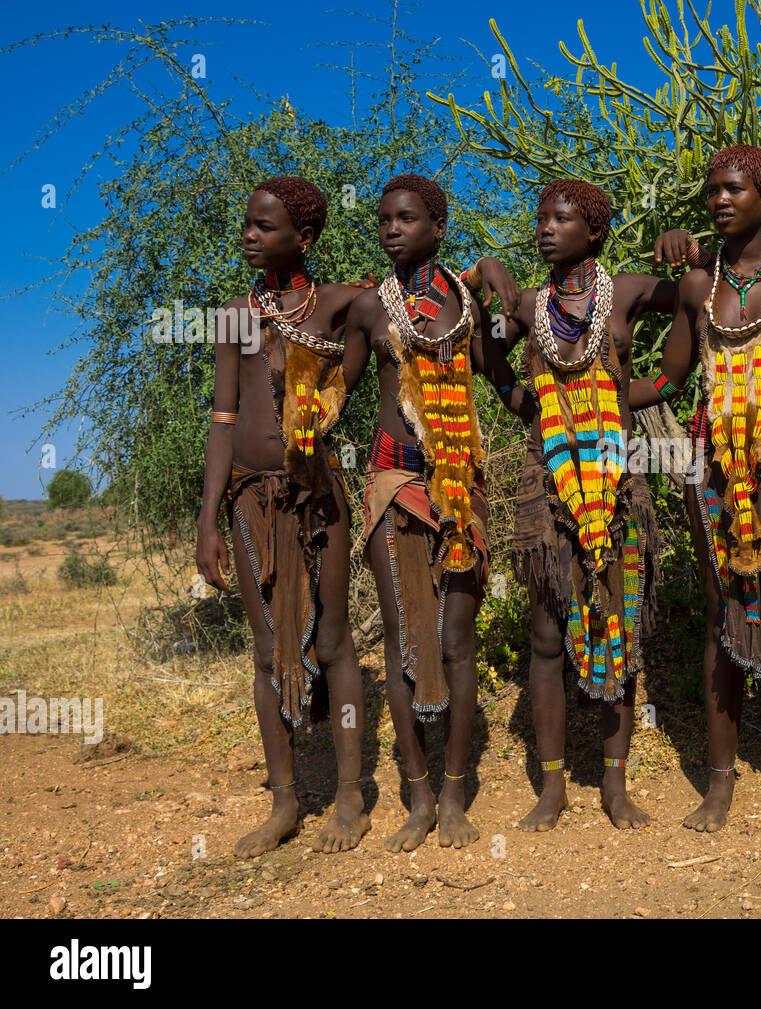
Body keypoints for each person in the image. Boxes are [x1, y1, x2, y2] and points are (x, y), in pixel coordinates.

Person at [632, 146, 761, 836]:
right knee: (722, 614)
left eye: (734, 189)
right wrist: (588, 395)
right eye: (712, 190)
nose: (719, 199)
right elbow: (668, 378)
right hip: (709, 460)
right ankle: (719, 783)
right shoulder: (696, 286)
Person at [341, 174, 522, 850]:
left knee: (454, 635)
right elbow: (340, 383)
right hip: (392, 480)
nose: (391, 227)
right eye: (384, 217)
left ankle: (454, 793)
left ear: (438, 227)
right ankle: (416, 797)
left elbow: (502, 381)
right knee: (400, 638)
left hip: (458, 486)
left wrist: (564, 419)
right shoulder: (367, 307)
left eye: (407, 218)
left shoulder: (467, 301)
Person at [195, 176, 370, 856]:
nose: (249, 235)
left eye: (264, 226)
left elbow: (412, 291)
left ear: (304, 236)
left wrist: (487, 272)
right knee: (268, 649)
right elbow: (222, 420)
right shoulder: (234, 315)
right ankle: (286, 800)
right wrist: (208, 518)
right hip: (247, 499)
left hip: (315, 493)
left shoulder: (338, 306)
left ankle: (351, 794)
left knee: (332, 639)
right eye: (246, 224)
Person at [502, 179, 676, 831]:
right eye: (541, 215)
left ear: (595, 231)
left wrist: (679, 249)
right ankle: (551, 787)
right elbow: (494, 368)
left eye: (562, 217)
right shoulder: (524, 303)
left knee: (617, 625)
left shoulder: (626, 290)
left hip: (616, 485)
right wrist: (548, 417)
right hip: (542, 483)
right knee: (547, 635)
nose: (546, 226)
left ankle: (614, 784)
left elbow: (691, 309)